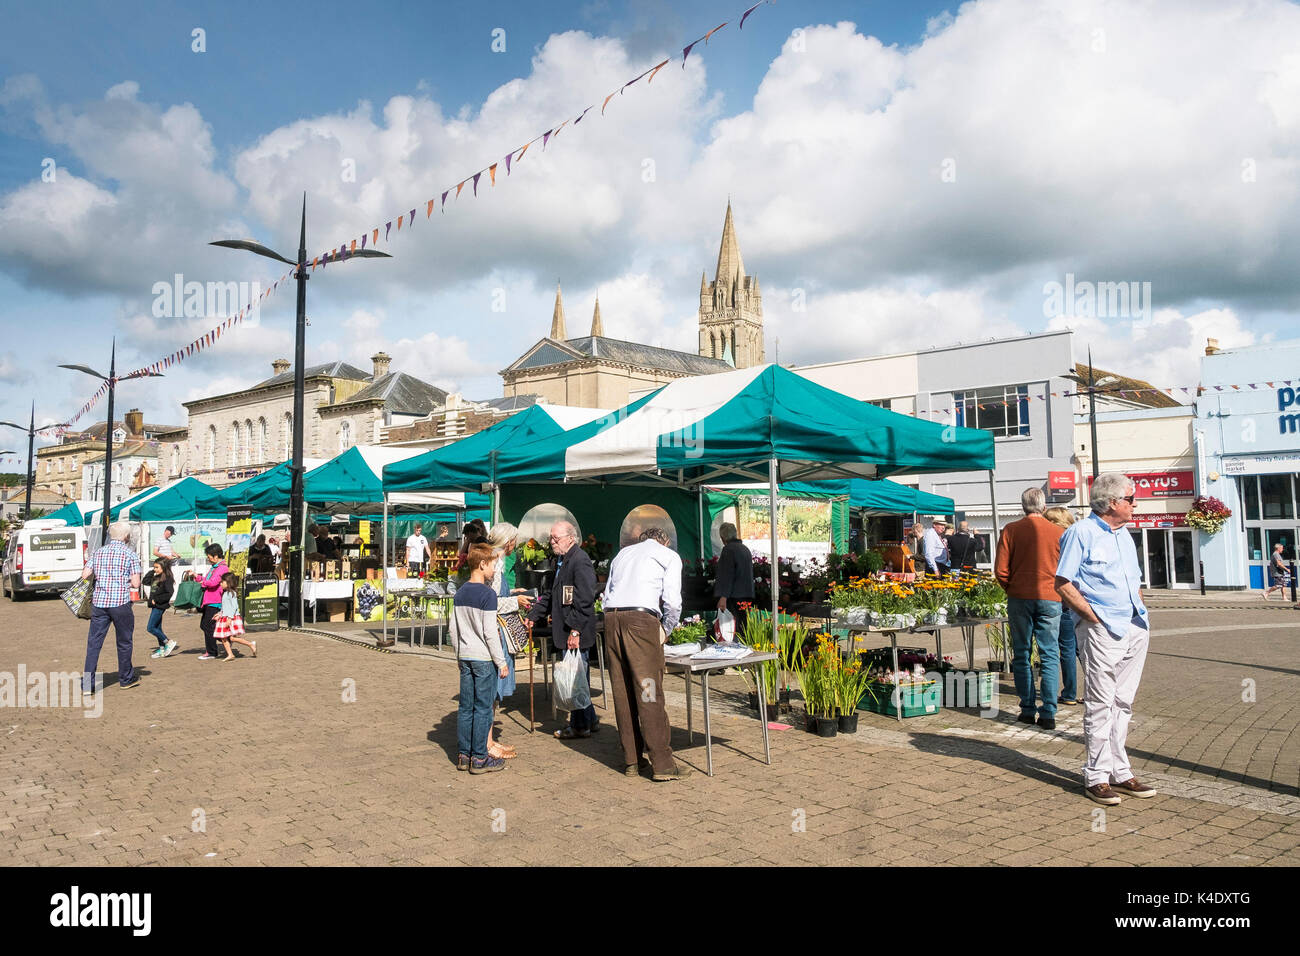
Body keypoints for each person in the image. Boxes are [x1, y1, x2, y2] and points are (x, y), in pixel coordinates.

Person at [1056, 473, 1157, 806]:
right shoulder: (1080, 533)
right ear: (1112, 502)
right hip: (1102, 629)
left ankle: (1120, 770)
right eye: (1130, 499)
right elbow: (1063, 583)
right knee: (1100, 703)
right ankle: (1096, 776)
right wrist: (1092, 617)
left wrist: (1139, 613)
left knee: (1123, 702)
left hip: (1134, 625)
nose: (1135, 504)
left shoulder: (1125, 535)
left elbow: (1134, 581)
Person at [604, 528, 687, 781]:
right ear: (665, 541)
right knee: (649, 689)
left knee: (622, 690)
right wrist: (667, 629)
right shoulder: (668, 555)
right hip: (641, 620)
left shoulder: (622, 555)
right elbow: (672, 601)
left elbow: (607, 592)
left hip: (611, 618)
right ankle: (662, 763)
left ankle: (631, 760)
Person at [995, 488, 1064, 730]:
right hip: (1051, 597)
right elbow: (1067, 569)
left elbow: (1001, 570)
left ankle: (1027, 708)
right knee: (1050, 654)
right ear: (1044, 507)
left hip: (1019, 596)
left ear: (1023, 506)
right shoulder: (1059, 533)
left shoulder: (1011, 530)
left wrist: (1012, 588)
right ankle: (1048, 713)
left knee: (1022, 653)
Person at [526, 520, 599, 739]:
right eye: (551, 538)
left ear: (571, 538)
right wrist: (534, 615)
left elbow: (586, 599)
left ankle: (579, 726)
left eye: (556, 538)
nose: (552, 542)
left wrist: (575, 630)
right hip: (566, 629)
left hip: (575, 631)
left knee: (575, 680)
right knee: (578, 679)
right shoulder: (560, 560)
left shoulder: (580, 561)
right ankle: (590, 719)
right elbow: (550, 594)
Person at [450, 542, 511, 774]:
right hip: (484, 659)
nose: (495, 571)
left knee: (465, 707)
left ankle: (463, 755)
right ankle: (479, 758)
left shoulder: (460, 592)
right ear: (482, 564)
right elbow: (489, 632)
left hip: (465, 657)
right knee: (483, 708)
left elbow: (453, 629)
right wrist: (501, 661)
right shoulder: (488, 595)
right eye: (493, 566)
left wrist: (458, 655)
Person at [485, 522, 536, 760]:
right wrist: (517, 602)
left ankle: (490, 740)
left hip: (497, 631)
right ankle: (487, 743)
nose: (515, 545)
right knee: (492, 690)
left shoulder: (496, 563)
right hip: (496, 632)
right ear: (507, 542)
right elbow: (492, 603)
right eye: (513, 541)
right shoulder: (495, 564)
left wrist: (514, 593)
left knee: (493, 691)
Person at [81, 521, 143, 692]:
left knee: (94, 643)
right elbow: (136, 583)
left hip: (99, 603)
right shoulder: (130, 554)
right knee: (124, 642)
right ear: (126, 536)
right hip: (120, 603)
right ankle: (126, 678)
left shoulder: (98, 552)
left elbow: (85, 575)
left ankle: (88, 683)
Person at [1043, 507, 1079, 706]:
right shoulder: (1074, 538)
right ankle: (1082, 691)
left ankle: (1069, 693)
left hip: (1059, 599)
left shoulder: (1056, 541)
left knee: (1062, 648)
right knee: (1075, 647)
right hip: (1076, 598)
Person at [713, 522, 754, 635]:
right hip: (747, 594)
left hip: (734, 596)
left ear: (722, 537)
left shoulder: (728, 550)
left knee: (732, 629)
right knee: (743, 627)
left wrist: (723, 597)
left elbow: (727, 575)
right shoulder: (745, 549)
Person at [197, 544, 231, 661]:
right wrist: (197, 578)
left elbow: (212, 583)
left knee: (207, 626)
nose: (208, 559)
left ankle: (212, 651)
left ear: (216, 556)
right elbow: (207, 580)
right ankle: (226, 641)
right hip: (209, 601)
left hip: (215, 601)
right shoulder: (214, 567)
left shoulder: (222, 568)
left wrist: (203, 582)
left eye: (209, 556)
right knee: (206, 626)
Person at [214, 572, 257, 661]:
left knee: (231, 638)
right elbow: (224, 607)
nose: (221, 583)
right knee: (224, 637)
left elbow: (234, 607)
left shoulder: (231, 593)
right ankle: (231, 654)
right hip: (225, 617)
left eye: (223, 582)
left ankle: (250, 644)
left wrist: (229, 618)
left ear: (228, 582)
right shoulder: (225, 593)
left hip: (230, 618)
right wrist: (219, 614)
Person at [141, 558, 178, 660]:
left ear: (164, 567)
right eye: (154, 567)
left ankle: (168, 642)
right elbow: (145, 581)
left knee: (151, 627)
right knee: (157, 628)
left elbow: (169, 593)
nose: (155, 569)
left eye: (157, 567)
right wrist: (152, 571)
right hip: (155, 606)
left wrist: (157, 600)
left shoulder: (167, 579)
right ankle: (162, 649)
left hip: (159, 606)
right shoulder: (156, 577)